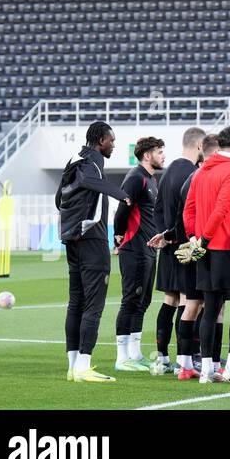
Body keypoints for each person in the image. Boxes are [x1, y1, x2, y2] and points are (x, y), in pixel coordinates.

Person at [57, 121, 130, 383]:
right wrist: (120, 194)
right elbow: (89, 180)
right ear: (100, 140)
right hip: (92, 239)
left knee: (76, 302)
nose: (113, 144)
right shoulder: (94, 160)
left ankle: (73, 366)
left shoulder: (74, 158)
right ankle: (84, 367)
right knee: (93, 304)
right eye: (111, 139)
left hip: (72, 238)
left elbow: (58, 198)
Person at [184, 125, 230, 385]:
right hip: (224, 245)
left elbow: (189, 209)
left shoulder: (202, 170)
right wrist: (205, 238)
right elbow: (223, 208)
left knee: (211, 307)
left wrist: (195, 239)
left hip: (204, 250)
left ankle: (206, 370)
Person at [148, 127, 204, 375]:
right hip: (184, 246)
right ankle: (189, 357)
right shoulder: (192, 173)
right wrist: (176, 236)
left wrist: (164, 235)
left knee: (169, 300)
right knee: (188, 301)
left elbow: (157, 209)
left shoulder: (168, 171)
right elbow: (187, 212)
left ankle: (162, 357)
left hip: (169, 247)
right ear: (200, 146)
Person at [111, 135, 164, 373]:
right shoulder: (135, 178)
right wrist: (119, 235)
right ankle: (122, 357)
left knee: (143, 302)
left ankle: (135, 353)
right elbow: (122, 208)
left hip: (148, 249)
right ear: (146, 155)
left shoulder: (151, 179)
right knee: (130, 301)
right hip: (134, 249)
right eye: (159, 151)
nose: (163, 155)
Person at [171, 133, 217, 379]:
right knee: (212, 307)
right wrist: (197, 241)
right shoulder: (201, 177)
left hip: (190, 246)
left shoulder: (192, 177)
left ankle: (184, 363)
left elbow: (183, 213)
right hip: (202, 249)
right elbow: (190, 213)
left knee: (191, 305)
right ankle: (208, 363)